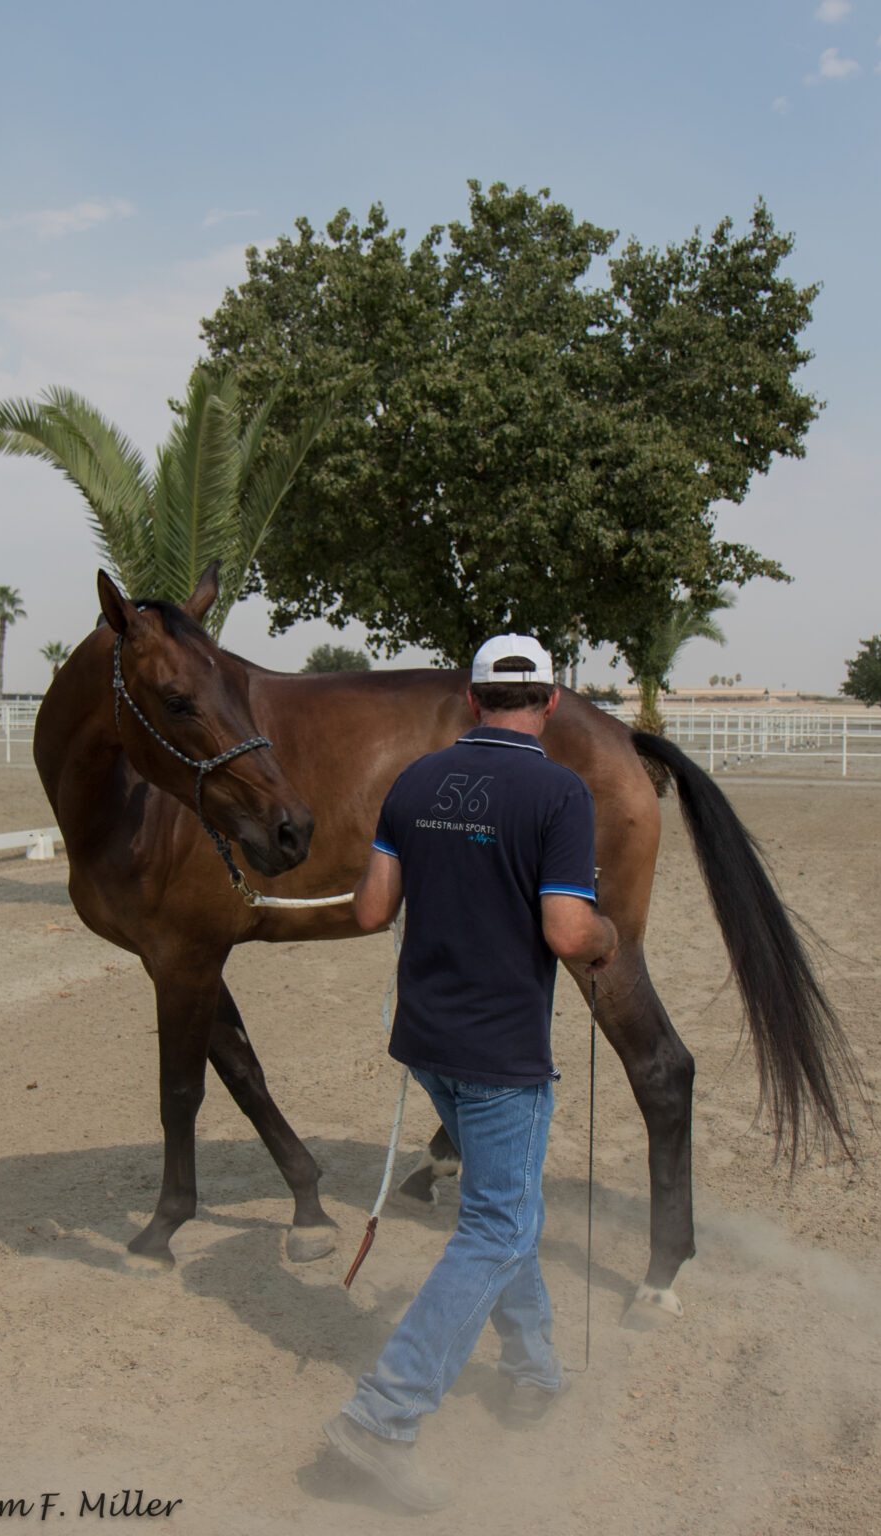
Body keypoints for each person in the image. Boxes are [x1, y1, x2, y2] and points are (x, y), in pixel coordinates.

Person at [323, 635, 617, 1511]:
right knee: (495, 1225)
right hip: (500, 1051)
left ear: (473, 696)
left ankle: (533, 1370)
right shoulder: (561, 792)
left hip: (426, 1040)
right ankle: (382, 1418)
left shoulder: (414, 781)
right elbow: (568, 932)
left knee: (504, 1203)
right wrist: (608, 940)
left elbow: (372, 909)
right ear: (552, 702)